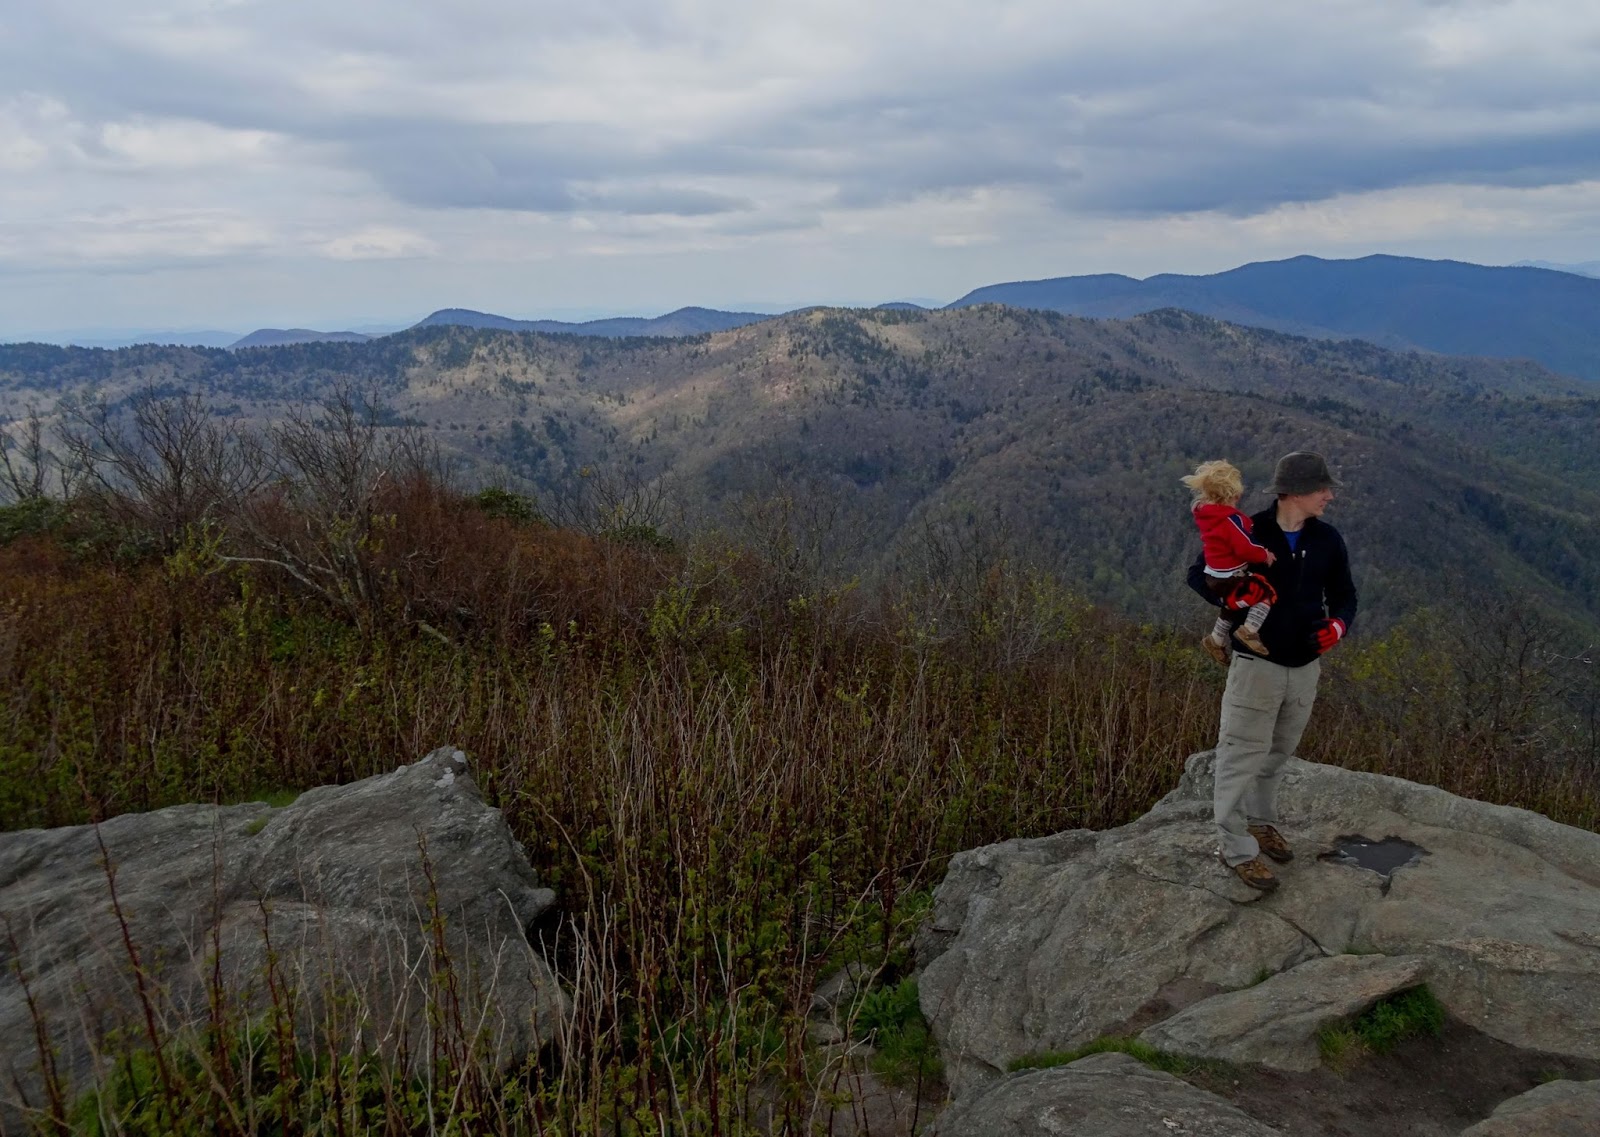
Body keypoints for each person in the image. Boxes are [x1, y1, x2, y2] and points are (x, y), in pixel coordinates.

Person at [1186, 452, 1357, 892]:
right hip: (1255, 665)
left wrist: (1337, 626)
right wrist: (1232, 595)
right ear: (1296, 492)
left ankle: (1260, 823)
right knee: (1241, 753)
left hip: (1304, 668)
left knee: (1278, 752)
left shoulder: (1328, 540)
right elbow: (1198, 573)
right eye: (1323, 489)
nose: (1330, 496)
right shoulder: (1249, 528)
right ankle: (1236, 847)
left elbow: (1345, 596)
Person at [1181, 459, 1278, 662]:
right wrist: (1264, 554)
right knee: (1264, 592)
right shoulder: (1231, 520)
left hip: (1213, 577)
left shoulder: (1207, 517)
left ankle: (1216, 640)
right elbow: (1245, 548)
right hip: (1231, 576)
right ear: (1234, 494)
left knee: (1231, 604)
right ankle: (1249, 631)